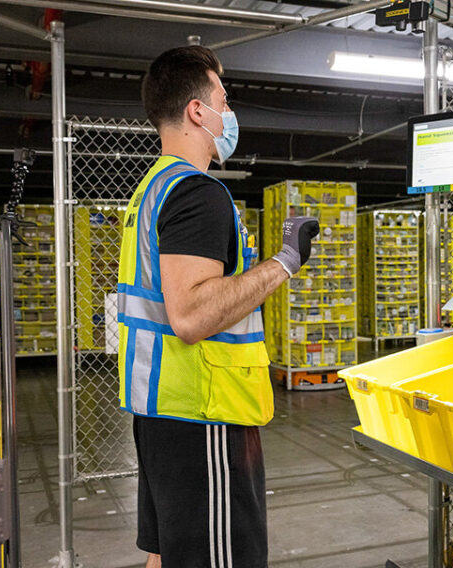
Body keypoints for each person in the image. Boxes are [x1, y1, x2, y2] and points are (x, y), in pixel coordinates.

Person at [116, 46, 319, 568]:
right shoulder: (197, 194)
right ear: (197, 112)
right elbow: (191, 315)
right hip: (205, 416)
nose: (230, 115)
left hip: (164, 412)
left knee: (166, 556)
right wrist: (285, 262)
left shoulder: (151, 190)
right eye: (224, 102)